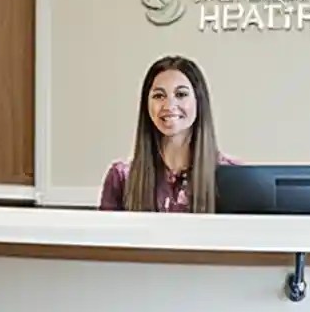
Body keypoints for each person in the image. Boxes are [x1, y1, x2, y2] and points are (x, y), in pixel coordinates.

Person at [99, 55, 235, 213]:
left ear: (199, 101)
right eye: (159, 96)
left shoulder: (235, 178)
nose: (169, 105)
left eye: (181, 94)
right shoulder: (121, 178)